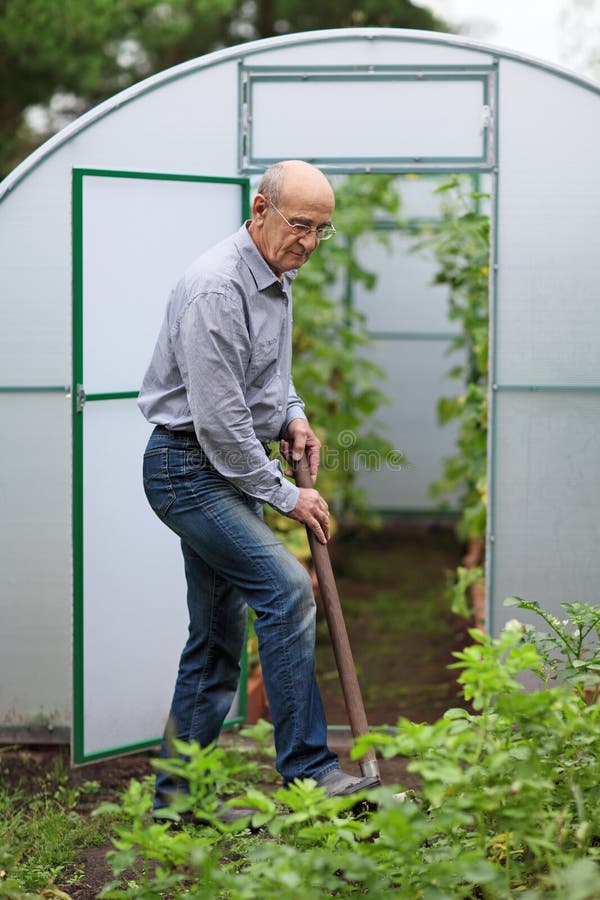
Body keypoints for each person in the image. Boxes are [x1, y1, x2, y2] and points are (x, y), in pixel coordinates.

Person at [138, 159, 380, 822]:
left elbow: (268, 380)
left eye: (321, 232)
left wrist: (294, 413)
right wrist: (286, 495)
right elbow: (219, 423)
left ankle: (176, 807)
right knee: (286, 589)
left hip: (220, 465)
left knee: (216, 640)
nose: (307, 242)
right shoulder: (218, 288)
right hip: (186, 470)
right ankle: (308, 771)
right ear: (260, 210)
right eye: (299, 225)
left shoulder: (277, 274)